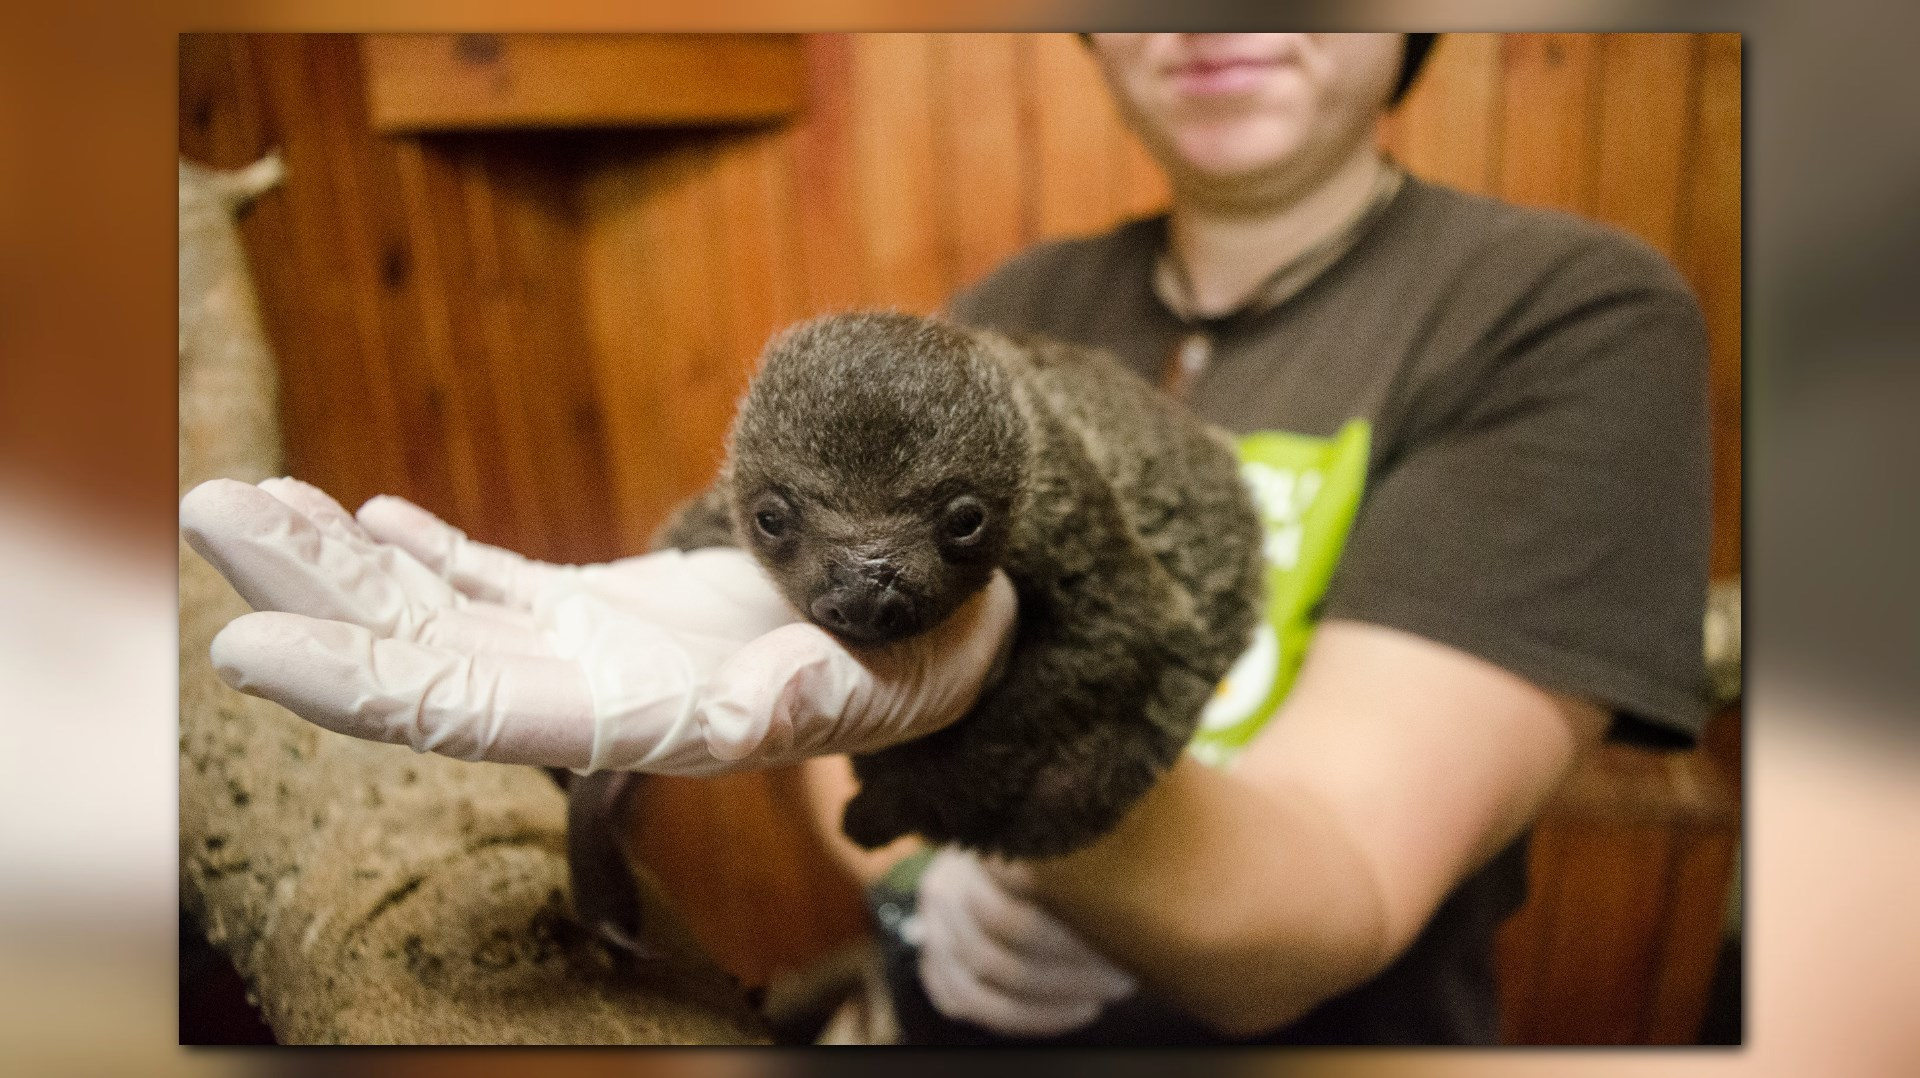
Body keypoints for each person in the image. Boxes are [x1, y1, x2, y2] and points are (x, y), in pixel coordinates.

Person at [181, 32, 1710, 1045]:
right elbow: (822, 692)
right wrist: (915, 874)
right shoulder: (1017, 303)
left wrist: (1012, 792)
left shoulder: (1562, 317)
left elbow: (1341, 891)